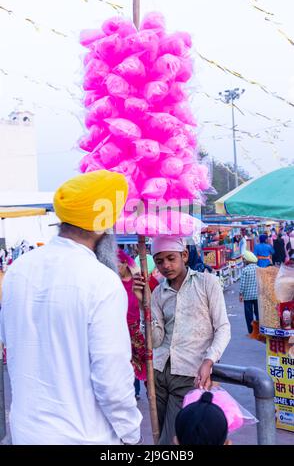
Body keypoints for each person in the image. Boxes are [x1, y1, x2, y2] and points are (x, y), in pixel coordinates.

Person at [0, 170, 142, 445]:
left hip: (25, 434)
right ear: (102, 227)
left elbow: (8, 341)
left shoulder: (18, 271)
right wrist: (132, 434)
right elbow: (112, 380)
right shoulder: (102, 281)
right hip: (85, 438)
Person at [133, 236, 231, 445]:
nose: (166, 266)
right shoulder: (158, 293)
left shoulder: (207, 283)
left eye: (171, 258)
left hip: (189, 374)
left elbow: (223, 328)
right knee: (160, 435)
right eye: (159, 261)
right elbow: (157, 339)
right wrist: (144, 305)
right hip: (158, 374)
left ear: (184, 255)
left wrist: (209, 360)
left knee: (172, 440)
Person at [117, 248, 146, 400]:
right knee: (127, 360)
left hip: (138, 327)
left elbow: (149, 300)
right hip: (122, 327)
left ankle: (147, 388)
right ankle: (132, 391)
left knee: (142, 359)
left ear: (125, 263)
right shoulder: (114, 283)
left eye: (118, 264)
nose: (116, 268)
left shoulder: (138, 280)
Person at [239, 251, 259, 334]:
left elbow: (242, 284)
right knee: (258, 313)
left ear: (247, 260)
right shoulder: (259, 268)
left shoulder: (245, 270)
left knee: (248, 314)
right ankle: (259, 330)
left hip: (247, 296)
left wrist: (240, 294)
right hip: (257, 295)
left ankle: (251, 331)